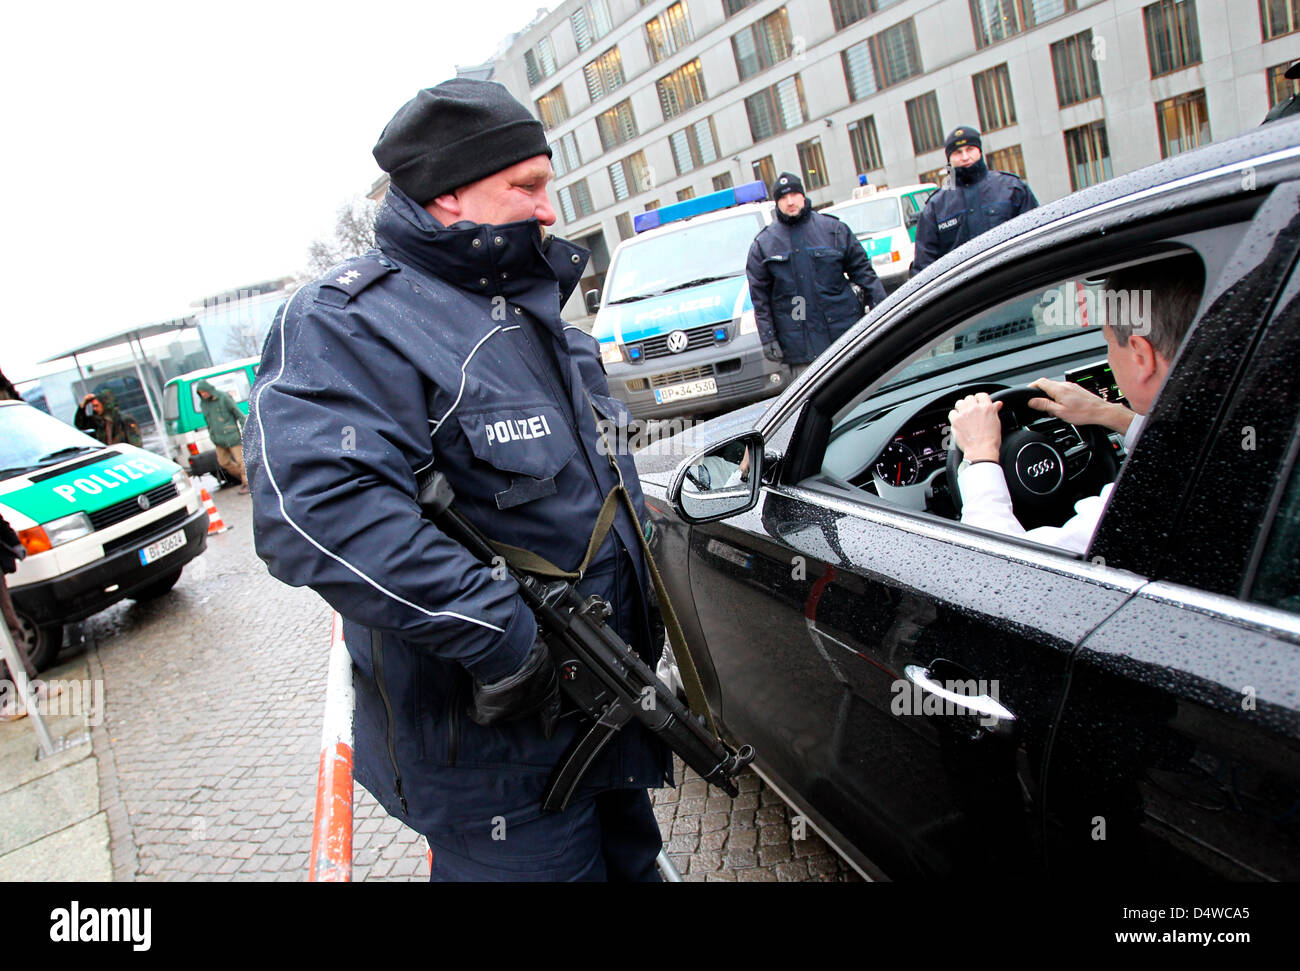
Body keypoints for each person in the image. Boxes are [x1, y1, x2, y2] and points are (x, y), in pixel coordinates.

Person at [245, 79, 671, 881]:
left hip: (608, 715)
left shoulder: (541, 323)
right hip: (495, 761)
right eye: (528, 186)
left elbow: (607, 495)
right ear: (449, 193)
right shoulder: (348, 321)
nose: (550, 211)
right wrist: (500, 635)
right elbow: (313, 511)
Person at [948, 256, 1204, 553]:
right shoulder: (1224, 422)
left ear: (1141, 356)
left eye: (1108, 343)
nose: (1108, 357)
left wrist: (981, 456)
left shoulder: (1149, 490)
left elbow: (1008, 572)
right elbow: (1181, 441)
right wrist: (1109, 414)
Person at [746, 172, 887, 378]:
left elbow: (864, 274)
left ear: (803, 196)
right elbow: (760, 298)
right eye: (783, 198)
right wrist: (768, 338)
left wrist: (881, 310)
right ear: (776, 203)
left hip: (845, 336)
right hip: (800, 347)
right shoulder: (764, 244)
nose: (790, 202)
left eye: (794, 194)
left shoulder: (833, 230)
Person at [911, 126, 1038, 276]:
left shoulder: (1012, 189)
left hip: (1015, 284)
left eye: (970, 149)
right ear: (949, 159)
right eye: (958, 153)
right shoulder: (936, 207)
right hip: (965, 294)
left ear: (980, 152)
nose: (965, 157)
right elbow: (924, 266)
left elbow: (1036, 238)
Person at [195, 380, 248, 494]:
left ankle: (247, 483)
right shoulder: (203, 404)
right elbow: (208, 421)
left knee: (241, 461)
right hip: (218, 439)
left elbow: (238, 414)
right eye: (200, 393)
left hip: (232, 436)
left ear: (209, 389)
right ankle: (246, 477)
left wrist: (244, 431)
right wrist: (212, 435)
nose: (203, 394)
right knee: (223, 462)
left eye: (204, 392)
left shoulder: (223, 397)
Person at [73, 389, 141, 447]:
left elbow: (135, 444)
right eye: (93, 406)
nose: (94, 409)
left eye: (96, 406)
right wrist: (83, 405)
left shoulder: (125, 420)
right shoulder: (99, 421)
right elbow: (80, 424)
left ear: (105, 405)